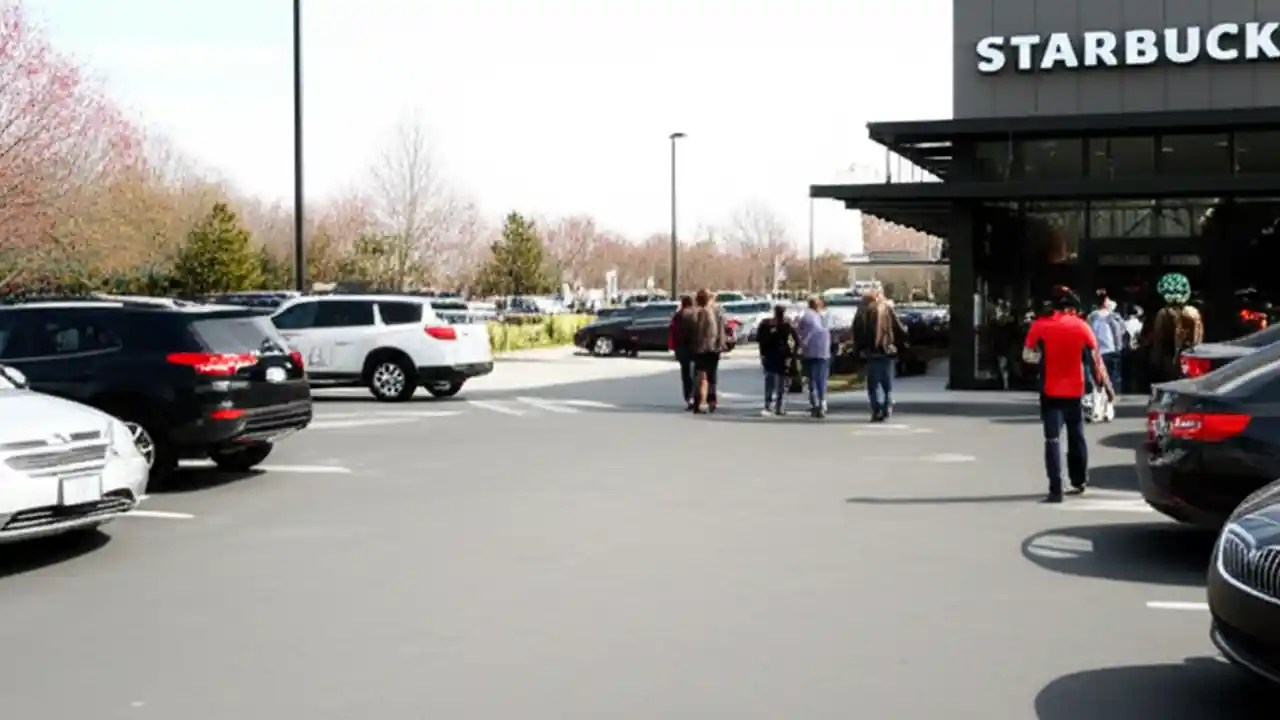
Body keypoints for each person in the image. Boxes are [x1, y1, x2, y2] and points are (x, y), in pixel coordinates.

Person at [1023, 288, 1115, 504]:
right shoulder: (1082, 326)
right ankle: (1079, 480)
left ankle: (1056, 489)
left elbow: (1028, 357)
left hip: (1050, 390)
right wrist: (1104, 386)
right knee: (1077, 435)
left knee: (1052, 439)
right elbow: (1095, 359)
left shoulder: (1040, 325)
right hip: (1076, 389)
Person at [852, 287, 907, 422]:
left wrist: (858, 350)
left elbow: (857, 332)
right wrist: (901, 341)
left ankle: (876, 409)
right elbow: (899, 328)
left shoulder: (862, 312)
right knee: (887, 383)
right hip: (887, 350)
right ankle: (887, 407)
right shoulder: (887, 309)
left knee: (873, 384)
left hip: (871, 352)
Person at [1149, 273, 1204, 383]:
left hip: (1169, 359)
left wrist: (1155, 358)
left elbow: (1158, 339)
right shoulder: (1194, 313)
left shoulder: (1163, 314)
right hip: (1190, 357)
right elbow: (1199, 338)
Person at [794, 297, 832, 418]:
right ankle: (822, 402)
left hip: (809, 351)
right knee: (821, 379)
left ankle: (815, 402)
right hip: (823, 352)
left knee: (811, 379)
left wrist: (800, 345)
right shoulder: (826, 317)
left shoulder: (806, 317)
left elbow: (798, 332)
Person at [756, 304, 796, 416]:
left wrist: (762, 353)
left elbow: (759, 340)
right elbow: (796, 339)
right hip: (781, 356)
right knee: (780, 383)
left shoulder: (766, 324)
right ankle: (779, 406)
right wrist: (793, 353)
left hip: (770, 355)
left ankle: (769, 405)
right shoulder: (785, 325)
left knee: (771, 381)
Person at [692, 288, 727, 414]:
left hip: (703, 348)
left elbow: (699, 332)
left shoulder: (700, 313)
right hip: (713, 348)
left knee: (700, 375)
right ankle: (711, 399)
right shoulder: (716, 312)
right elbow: (721, 330)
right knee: (711, 375)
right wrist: (721, 344)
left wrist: (696, 345)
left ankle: (700, 401)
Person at [1087, 292, 1126, 393]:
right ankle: (1112, 397)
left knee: (1098, 379)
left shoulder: (1091, 317)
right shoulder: (1113, 316)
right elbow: (1119, 332)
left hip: (1096, 352)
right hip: (1111, 351)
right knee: (1113, 378)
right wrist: (1119, 348)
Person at [669, 295, 698, 410]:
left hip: (681, 348)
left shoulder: (678, 316)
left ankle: (688, 397)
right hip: (694, 347)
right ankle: (696, 396)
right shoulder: (695, 314)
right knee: (695, 373)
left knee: (685, 374)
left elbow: (673, 331)